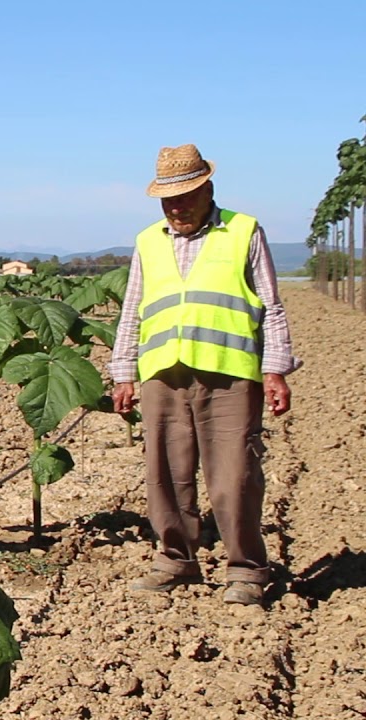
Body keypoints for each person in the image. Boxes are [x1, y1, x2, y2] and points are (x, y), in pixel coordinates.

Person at [110, 144, 298, 607]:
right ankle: (176, 560)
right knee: (165, 474)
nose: (177, 207)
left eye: (186, 196)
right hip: (162, 373)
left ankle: (247, 569)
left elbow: (270, 306)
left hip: (230, 373)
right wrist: (123, 373)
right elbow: (132, 311)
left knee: (234, 474)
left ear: (207, 189)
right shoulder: (148, 240)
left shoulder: (243, 231)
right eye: (168, 200)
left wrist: (275, 369)